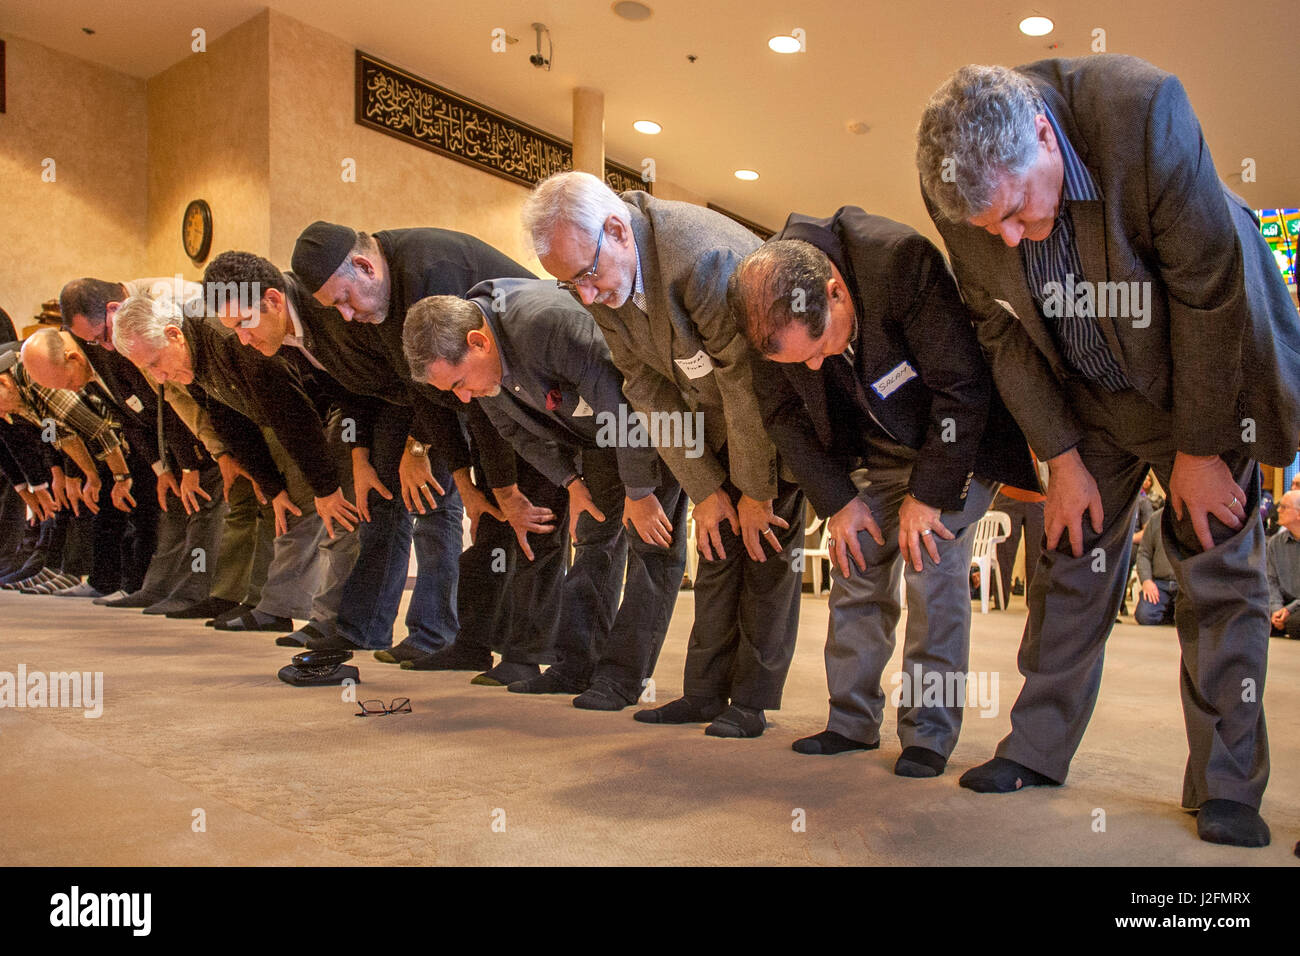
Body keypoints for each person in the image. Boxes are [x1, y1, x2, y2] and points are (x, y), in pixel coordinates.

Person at [916, 54, 1300, 846]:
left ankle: (1225, 783)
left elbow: (1210, 291)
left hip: (1194, 379)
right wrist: (1058, 457)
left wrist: (1198, 451)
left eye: (1021, 212)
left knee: (1218, 564)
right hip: (1085, 396)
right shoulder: (958, 183)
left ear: (1046, 138)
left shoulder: (1145, 113)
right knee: (1070, 555)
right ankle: (1036, 747)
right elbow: (996, 324)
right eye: (994, 230)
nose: (1011, 238)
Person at [727, 208, 1035, 775]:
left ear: (835, 291)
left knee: (932, 569)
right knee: (856, 567)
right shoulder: (759, 305)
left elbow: (962, 386)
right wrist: (839, 501)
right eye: (800, 360)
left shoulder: (899, 262)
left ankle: (928, 733)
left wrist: (930, 494)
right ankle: (850, 721)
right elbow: (781, 416)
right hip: (874, 452)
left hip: (951, 442)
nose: (815, 365)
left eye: (818, 346)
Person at [522, 171, 805, 739]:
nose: (585, 296)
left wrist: (754, 490)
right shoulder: (601, 277)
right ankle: (703, 693)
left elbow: (745, 383)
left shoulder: (699, 259)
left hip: (778, 421)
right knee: (717, 549)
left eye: (585, 276)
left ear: (616, 231)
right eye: (569, 285)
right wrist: (704, 491)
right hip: (711, 424)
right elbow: (643, 386)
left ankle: (750, 702)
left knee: (765, 552)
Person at [405, 278, 689, 710]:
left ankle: (622, 677)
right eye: (453, 391)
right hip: (599, 440)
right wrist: (572, 485)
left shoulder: (548, 324)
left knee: (650, 547)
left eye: (461, 381)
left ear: (479, 342)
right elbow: (517, 432)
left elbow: (623, 405)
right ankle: (575, 665)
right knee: (593, 537)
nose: (464, 397)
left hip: (656, 422)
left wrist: (640, 490)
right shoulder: (485, 373)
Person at [291, 222, 554, 679]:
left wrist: (504, 488)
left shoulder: (435, 271)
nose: (346, 316)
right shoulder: (379, 307)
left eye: (344, 299)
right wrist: (465, 482)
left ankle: (526, 656)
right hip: (487, 404)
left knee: (532, 524)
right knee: (490, 524)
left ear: (363, 265)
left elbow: (480, 396)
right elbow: (428, 395)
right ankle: (470, 644)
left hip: (538, 397)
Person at [112, 295, 355, 637]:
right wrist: (270, 484)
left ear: (173, 334)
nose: (159, 377)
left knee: (335, 514)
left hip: (330, 414)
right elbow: (228, 419)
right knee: (289, 508)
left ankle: (338, 623)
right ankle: (280, 608)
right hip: (289, 420)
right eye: (149, 370)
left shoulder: (229, 342)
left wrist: (326, 488)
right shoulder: (193, 360)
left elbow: (294, 416)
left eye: (155, 363)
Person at [1134, 506, 1177, 625]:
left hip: (1183, 584)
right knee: (1144, 616)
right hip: (1159, 583)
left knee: (1189, 621)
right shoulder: (1155, 519)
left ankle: (1173, 612)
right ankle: (1169, 612)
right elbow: (1144, 553)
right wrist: (1146, 581)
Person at [1266, 490, 1300, 639]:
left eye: (1284, 507)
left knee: (1294, 623)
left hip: (1296, 605)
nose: (1278, 510)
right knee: (1253, 616)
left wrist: (1289, 610)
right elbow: (1270, 580)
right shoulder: (1275, 542)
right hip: (1283, 603)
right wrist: (1277, 609)